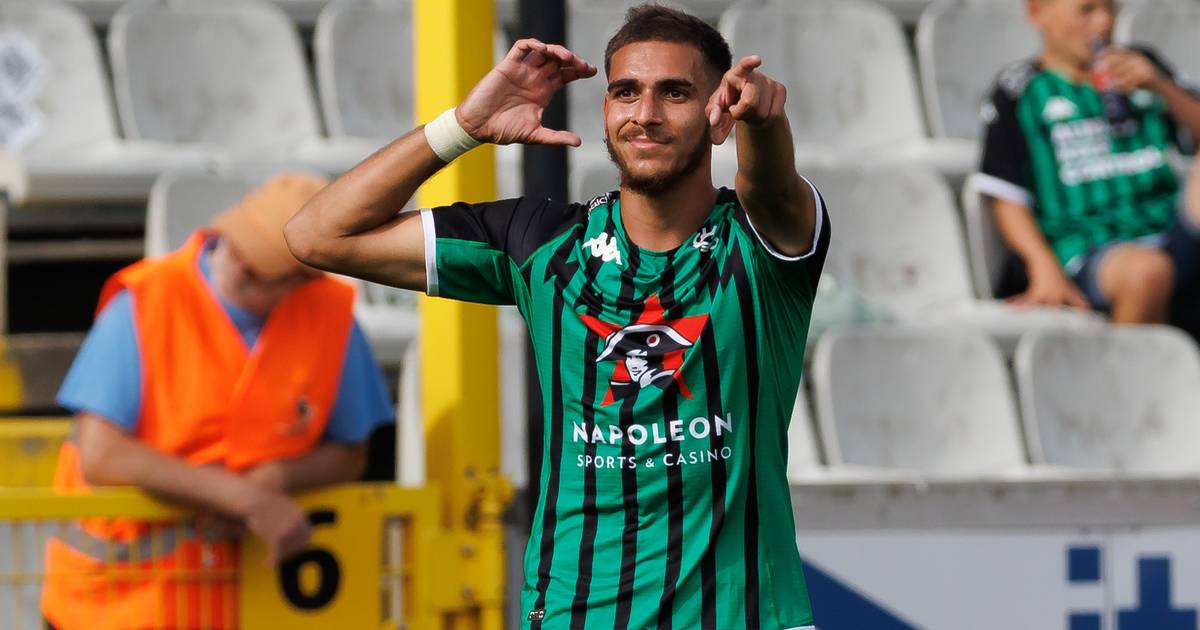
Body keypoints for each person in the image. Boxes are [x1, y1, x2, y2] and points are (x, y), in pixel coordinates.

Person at [286, 5, 828, 629]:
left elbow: (775, 189)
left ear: (718, 115)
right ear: (604, 111)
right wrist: (463, 127)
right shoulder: (541, 244)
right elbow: (316, 234)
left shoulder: (760, 246)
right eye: (625, 92)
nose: (645, 114)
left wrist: (764, 122)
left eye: (674, 93)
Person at [41, 173, 394, 630]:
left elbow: (349, 455)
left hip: (239, 602)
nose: (238, 261)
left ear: (304, 280)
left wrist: (274, 479)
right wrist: (243, 498)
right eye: (239, 241)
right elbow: (102, 454)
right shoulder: (147, 299)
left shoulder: (332, 321)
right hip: (112, 605)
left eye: (259, 264)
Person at [974, 0, 1200, 330]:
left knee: (1154, 265)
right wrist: (1043, 267)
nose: (1103, 23)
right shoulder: (1020, 89)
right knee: (1147, 271)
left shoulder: (1144, 66)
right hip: (1088, 249)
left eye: (1111, 9)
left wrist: (1160, 86)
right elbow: (1006, 197)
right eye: (1087, 10)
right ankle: (1132, 378)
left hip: (1168, 233)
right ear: (1038, 13)